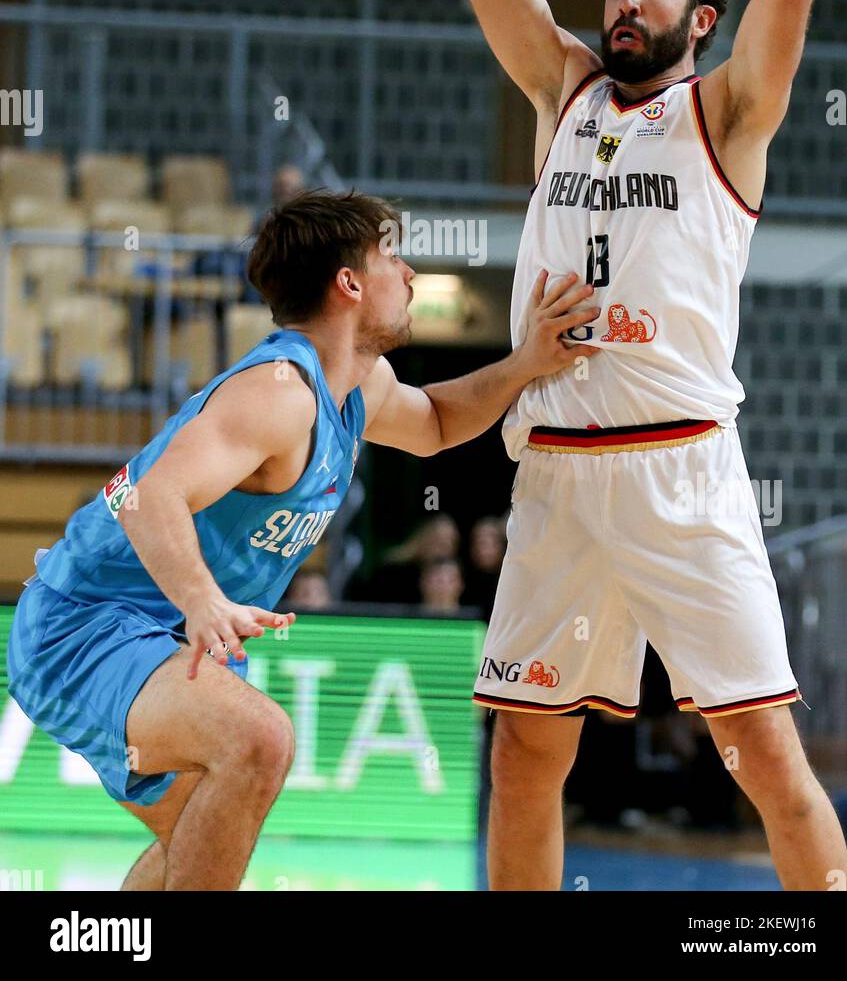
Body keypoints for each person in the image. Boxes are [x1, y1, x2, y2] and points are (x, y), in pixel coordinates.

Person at [451, 0, 847, 891]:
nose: (623, 2)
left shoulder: (726, 115)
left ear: (698, 18)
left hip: (681, 476)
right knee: (524, 755)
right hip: (559, 473)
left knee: (762, 754)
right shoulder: (563, 86)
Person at [5, 188, 597, 892]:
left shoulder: (361, 385)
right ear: (349, 283)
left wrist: (527, 361)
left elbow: (436, 422)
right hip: (89, 624)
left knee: (196, 826)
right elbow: (148, 496)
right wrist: (201, 601)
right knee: (258, 741)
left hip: (162, 636)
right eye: (393, 257)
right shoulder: (280, 394)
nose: (409, 275)